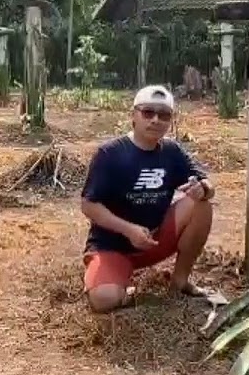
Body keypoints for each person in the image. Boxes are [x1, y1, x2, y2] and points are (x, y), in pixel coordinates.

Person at [79, 84, 215, 313]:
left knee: (201, 205)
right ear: (133, 115)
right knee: (104, 300)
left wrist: (204, 188)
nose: (155, 120)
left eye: (164, 115)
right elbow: (88, 205)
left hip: (153, 241)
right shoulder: (110, 153)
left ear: (170, 120)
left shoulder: (172, 152)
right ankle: (118, 285)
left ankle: (180, 281)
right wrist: (129, 230)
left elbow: (206, 183)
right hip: (112, 247)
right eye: (148, 112)